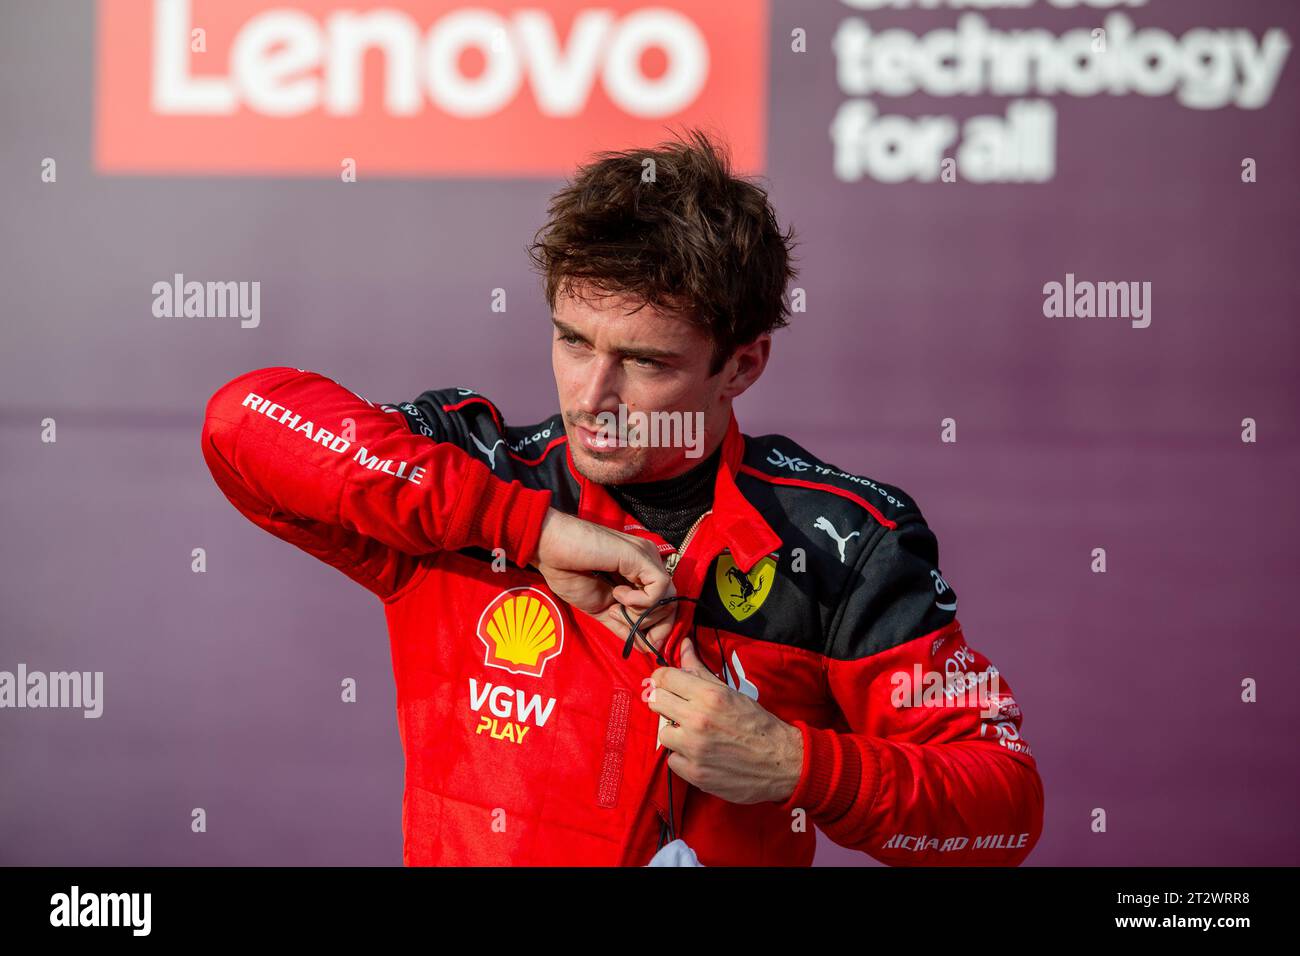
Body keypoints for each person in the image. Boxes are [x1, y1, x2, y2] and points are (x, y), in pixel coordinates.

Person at [200, 128, 1043, 866]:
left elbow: (1003, 810)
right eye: (572, 341)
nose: (590, 395)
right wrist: (523, 528)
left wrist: (800, 767)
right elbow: (242, 422)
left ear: (742, 365)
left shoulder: (844, 542)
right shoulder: (474, 472)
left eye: (644, 361)